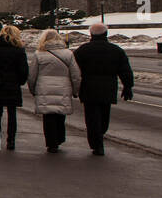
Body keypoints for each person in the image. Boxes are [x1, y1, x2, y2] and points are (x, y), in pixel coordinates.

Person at [74, 23, 134, 156]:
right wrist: (128, 86)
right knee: (104, 115)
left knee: (91, 118)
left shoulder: (82, 50)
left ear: (91, 35)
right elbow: (124, 70)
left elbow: (74, 70)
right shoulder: (116, 50)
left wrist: (74, 87)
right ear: (106, 34)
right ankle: (100, 134)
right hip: (108, 88)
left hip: (88, 88)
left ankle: (96, 143)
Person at [27, 28, 81, 153]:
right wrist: (75, 89)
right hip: (63, 87)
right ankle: (59, 138)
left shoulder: (39, 54)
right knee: (60, 114)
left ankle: (51, 143)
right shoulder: (68, 54)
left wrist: (32, 88)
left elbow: (32, 75)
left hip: (44, 87)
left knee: (48, 116)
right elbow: (75, 74)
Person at [0, 24, 29, 150]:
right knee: (12, 113)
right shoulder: (19, 50)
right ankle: (11, 140)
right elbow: (24, 70)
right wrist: (20, 81)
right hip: (12, 83)